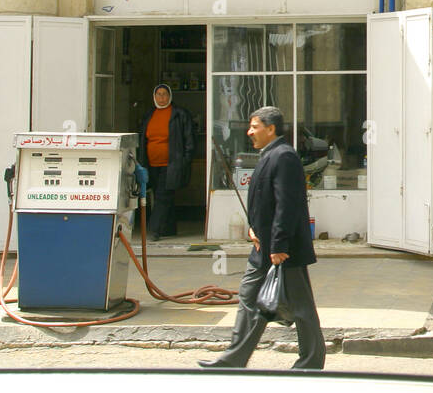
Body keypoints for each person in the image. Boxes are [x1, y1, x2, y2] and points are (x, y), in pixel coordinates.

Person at [199, 106, 325, 370]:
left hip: (282, 250)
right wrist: (254, 227)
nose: (249, 132)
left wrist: (279, 245)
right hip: (263, 246)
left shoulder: (284, 156)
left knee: (300, 307)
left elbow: (287, 205)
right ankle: (233, 359)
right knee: (249, 299)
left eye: (255, 127)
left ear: (271, 129)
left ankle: (311, 360)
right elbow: (265, 202)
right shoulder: (269, 155)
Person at [138, 84, 196, 241]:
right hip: (152, 164)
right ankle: (169, 228)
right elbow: (143, 138)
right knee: (162, 196)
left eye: (164, 94)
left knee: (163, 196)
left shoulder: (179, 114)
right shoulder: (150, 114)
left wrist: (185, 161)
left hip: (172, 164)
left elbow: (189, 139)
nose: (161, 98)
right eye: (158, 94)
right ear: (154, 96)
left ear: (170, 97)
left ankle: (153, 231)